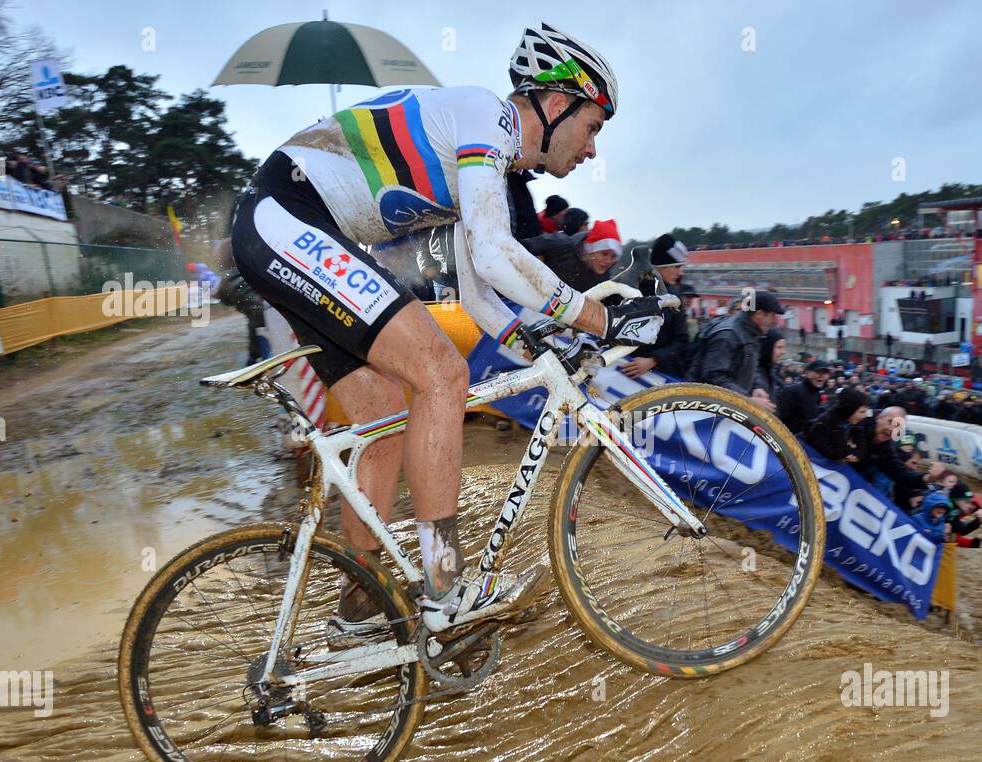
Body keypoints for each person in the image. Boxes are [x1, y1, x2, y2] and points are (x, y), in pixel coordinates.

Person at [231, 23, 667, 636]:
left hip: (281, 225)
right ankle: (444, 584)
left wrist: (534, 343)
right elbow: (494, 253)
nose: (592, 149)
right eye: (593, 127)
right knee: (442, 374)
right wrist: (599, 316)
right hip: (286, 215)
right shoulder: (486, 117)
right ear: (557, 100)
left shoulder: (480, 160)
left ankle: (361, 601)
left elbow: (477, 291)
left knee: (382, 411)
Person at [687, 289, 783, 409]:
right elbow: (713, 376)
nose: (773, 321)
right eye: (772, 315)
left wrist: (756, 386)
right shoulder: (728, 335)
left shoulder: (750, 333)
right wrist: (747, 400)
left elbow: (750, 366)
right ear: (758, 315)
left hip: (727, 406)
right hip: (708, 409)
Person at [623, 232, 692, 378]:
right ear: (661, 267)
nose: (681, 272)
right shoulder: (631, 289)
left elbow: (681, 340)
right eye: (677, 266)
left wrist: (653, 360)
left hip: (660, 373)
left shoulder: (674, 296)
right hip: (627, 368)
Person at [805, 386, 871, 466]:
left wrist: (858, 454)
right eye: (861, 412)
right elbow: (831, 452)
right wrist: (850, 448)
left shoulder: (854, 422)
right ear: (849, 409)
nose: (864, 416)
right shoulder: (824, 423)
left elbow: (862, 443)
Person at [776, 360, 830, 435]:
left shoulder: (818, 394)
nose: (821, 376)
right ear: (808, 373)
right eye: (818, 372)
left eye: (825, 373)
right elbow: (778, 419)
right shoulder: (792, 391)